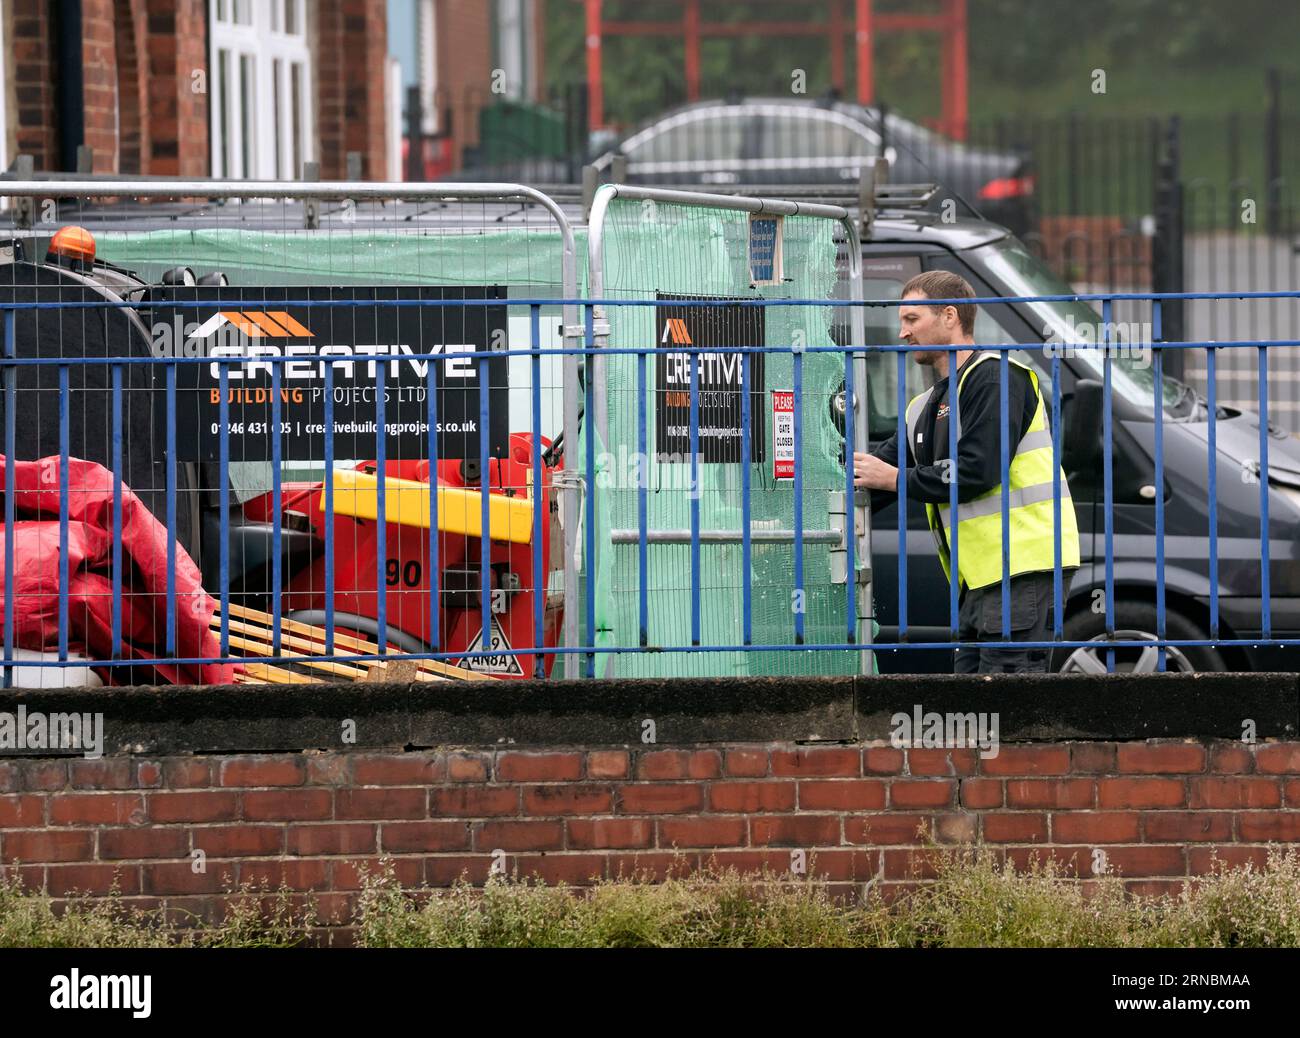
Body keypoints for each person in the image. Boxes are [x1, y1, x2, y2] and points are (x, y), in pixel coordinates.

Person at [851, 270, 1080, 673]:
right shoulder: (922, 407)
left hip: (1021, 569)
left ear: (950, 316)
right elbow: (873, 473)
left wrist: (894, 479)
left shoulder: (997, 378)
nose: (902, 334)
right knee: (973, 708)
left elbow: (976, 471)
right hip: (977, 577)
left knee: (1007, 712)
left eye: (912, 320)